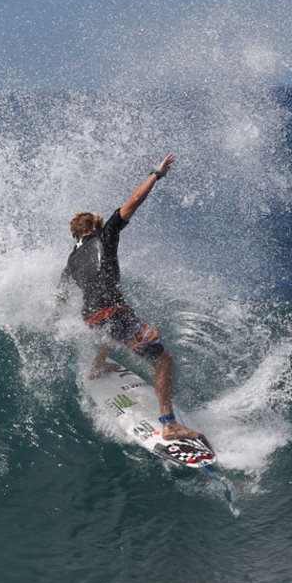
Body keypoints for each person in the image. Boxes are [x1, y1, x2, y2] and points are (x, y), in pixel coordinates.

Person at [56, 153, 199, 441]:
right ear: (94, 227)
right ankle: (170, 425)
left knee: (106, 328)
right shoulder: (104, 236)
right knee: (163, 360)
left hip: (91, 316)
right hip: (113, 313)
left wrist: (54, 322)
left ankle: (97, 367)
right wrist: (156, 175)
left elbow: (60, 298)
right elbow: (133, 200)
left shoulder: (71, 260)